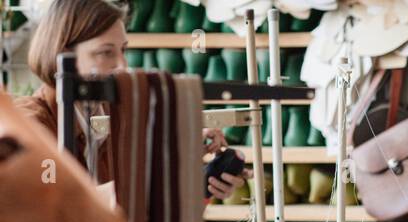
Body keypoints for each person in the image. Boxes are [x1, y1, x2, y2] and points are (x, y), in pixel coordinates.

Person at [14, 0, 247, 198]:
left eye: (123, 50)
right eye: (106, 52)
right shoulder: (28, 125)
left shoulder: (115, 114)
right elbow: (52, 210)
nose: (122, 66)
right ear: (64, 56)